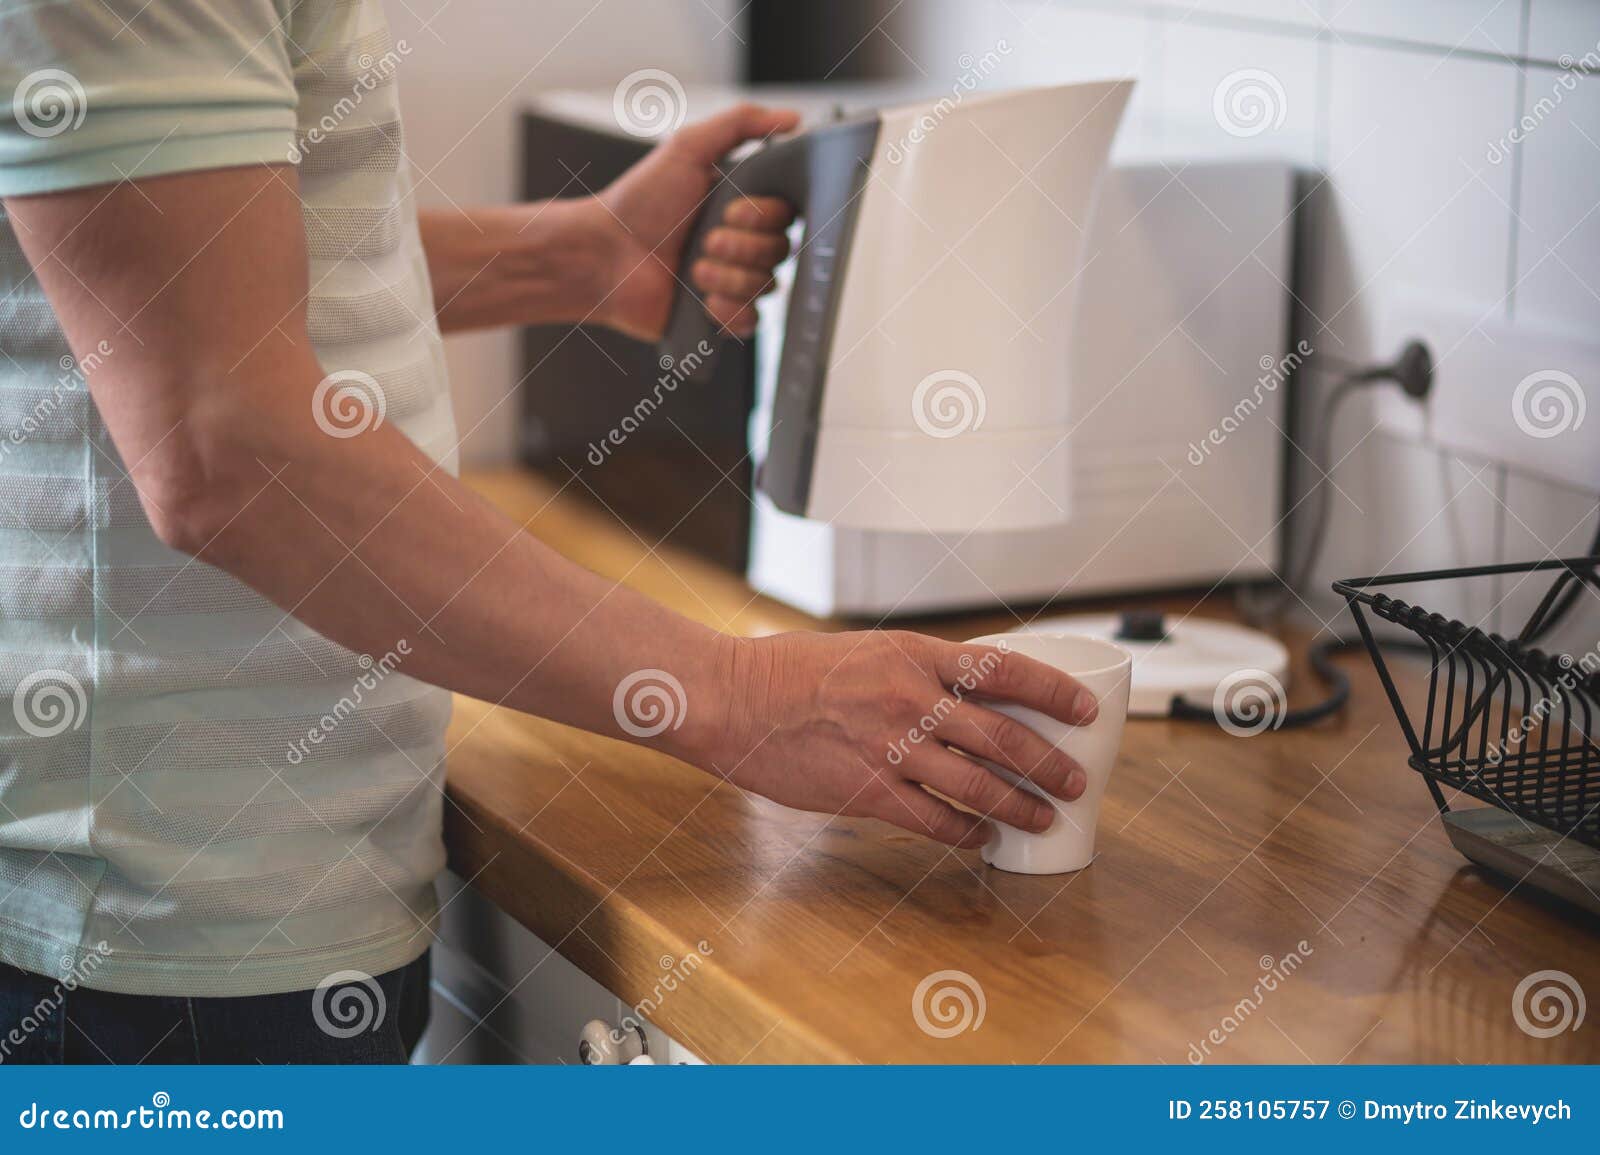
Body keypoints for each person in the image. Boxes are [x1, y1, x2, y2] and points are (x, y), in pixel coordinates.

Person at [0, 0, 1096, 1064]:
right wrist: (742, 693)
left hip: (252, 866)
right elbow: (228, 447)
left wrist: (579, 254)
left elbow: (200, 261)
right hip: (150, 919)